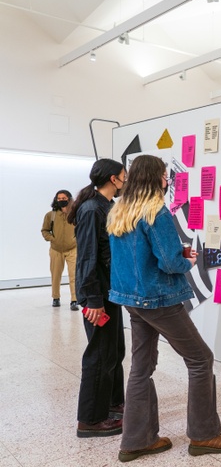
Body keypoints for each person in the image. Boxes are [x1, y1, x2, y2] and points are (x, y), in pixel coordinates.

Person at [107, 155, 221, 462]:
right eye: (166, 177)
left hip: (132, 300)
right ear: (156, 179)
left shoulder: (120, 211)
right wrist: (187, 261)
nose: (169, 182)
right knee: (200, 359)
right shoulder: (157, 212)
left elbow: (139, 255)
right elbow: (168, 263)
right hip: (159, 300)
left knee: (141, 368)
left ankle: (136, 440)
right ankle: (204, 435)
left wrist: (173, 252)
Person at [67, 158, 127, 438]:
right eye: (123, 176)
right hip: (98, 295)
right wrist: (92, 299)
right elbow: (88, 257)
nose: (126, 180)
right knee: (100, 355)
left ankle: (114, 404)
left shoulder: (107, 206)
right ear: (113, 179)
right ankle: (90, 419)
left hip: (109, 291)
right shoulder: (92, 209)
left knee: (114, 351)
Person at [41, 190, 78, 310]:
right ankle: (55, 298)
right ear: (56, 200)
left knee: (74, 275)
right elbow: (45, 230)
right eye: (59, 198)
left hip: (73, 249)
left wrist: (76, 240)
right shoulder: (50, 215)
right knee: (56, 275)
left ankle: (74, 300)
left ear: (69, 199)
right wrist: (52, 239)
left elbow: (82, 228)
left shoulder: (76, 214)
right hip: (56, 250)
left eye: (64, 198)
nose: (62, 200)